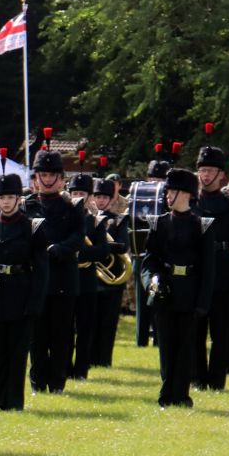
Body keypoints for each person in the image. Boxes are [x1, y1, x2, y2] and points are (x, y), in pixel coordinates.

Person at [0, 174, 49, 410]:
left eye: (10, 197)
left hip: (20, 295)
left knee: (17, 355)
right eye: (2, 197)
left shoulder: (32, 228)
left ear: (18, 199)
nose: (5, 202)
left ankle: (14, 403)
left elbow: (42, 270)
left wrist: (34, 304)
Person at [141, 168, 215, 407]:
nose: (167, 195)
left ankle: (181, 394)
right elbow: (148, 261)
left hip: (190, 291)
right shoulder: (159, 224)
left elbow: (208, 268)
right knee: (165, 345)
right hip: (164, 291)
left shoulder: (202, 226)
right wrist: (151, 282)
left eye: (171, 191)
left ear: (185, 194)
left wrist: (203, 301)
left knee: (186, 346)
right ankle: (165, 394)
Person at [24, 150, 85, 394]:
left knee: (62, 334)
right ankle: (38, 381)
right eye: (43, 174)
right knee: (36, 336)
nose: (47, 179)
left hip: (63, 278)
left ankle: (58, 381)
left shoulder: (72, 206)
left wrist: (61, 248)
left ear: (61, 178)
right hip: (35, 280)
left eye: (52, 175)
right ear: (36, 177)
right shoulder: (26, 205)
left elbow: (79, 236)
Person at [193, 146, 229, 391]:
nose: (206, 175)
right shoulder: (191, 202)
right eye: (202, 170)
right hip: (196, 272)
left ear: (221, 175)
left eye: (211, 171)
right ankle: (196, 377)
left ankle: (216, 380)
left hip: (223, 269)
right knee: (195, 330)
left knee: (221, 332)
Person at [69, 173, 110, 381]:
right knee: (65, 328)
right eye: (74, 193)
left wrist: (77, 253)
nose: (78, 196)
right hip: (66, 280)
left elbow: (103, 250)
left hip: (86, 281)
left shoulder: (95, 221)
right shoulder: (63, 219)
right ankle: (65, 367)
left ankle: (81, 371)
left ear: (89, 197)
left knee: (85, 329)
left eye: (82, 193)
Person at [92, 178, 130, 367]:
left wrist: (102, 246)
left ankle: (104, 360)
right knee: (89, 320)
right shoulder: (88, 220)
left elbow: (123, 246)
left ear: (111, 199)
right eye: (97, 196)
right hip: (91, 277)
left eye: (104, 197)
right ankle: (89, 358)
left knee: (108, 322)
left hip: (111, 278)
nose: (100, 201)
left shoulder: (119, 220)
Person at [134, 160, 171, 347]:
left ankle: (158, 339)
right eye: (152, 178)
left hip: (160, 258)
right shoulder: (138, 199)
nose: (155, 182)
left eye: (160, 179)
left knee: (157, 298)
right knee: (142, 300)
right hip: (140, 254)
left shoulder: (168, 202)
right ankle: (141, 340)